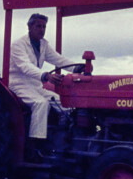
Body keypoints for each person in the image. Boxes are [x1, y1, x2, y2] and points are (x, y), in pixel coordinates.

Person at [8, 13, 80, 152]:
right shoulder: (18, 45)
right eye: (38, 26)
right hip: (19, 83)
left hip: (35, 84)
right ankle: (35, 146)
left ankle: (66, 139)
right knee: (40, 104)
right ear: (29, 27)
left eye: (44, 27)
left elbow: (58, 60)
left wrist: (77, 67)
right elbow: (25, 66)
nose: (42, 29)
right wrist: (45, 75)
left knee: (63, 103)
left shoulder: (43, 44)